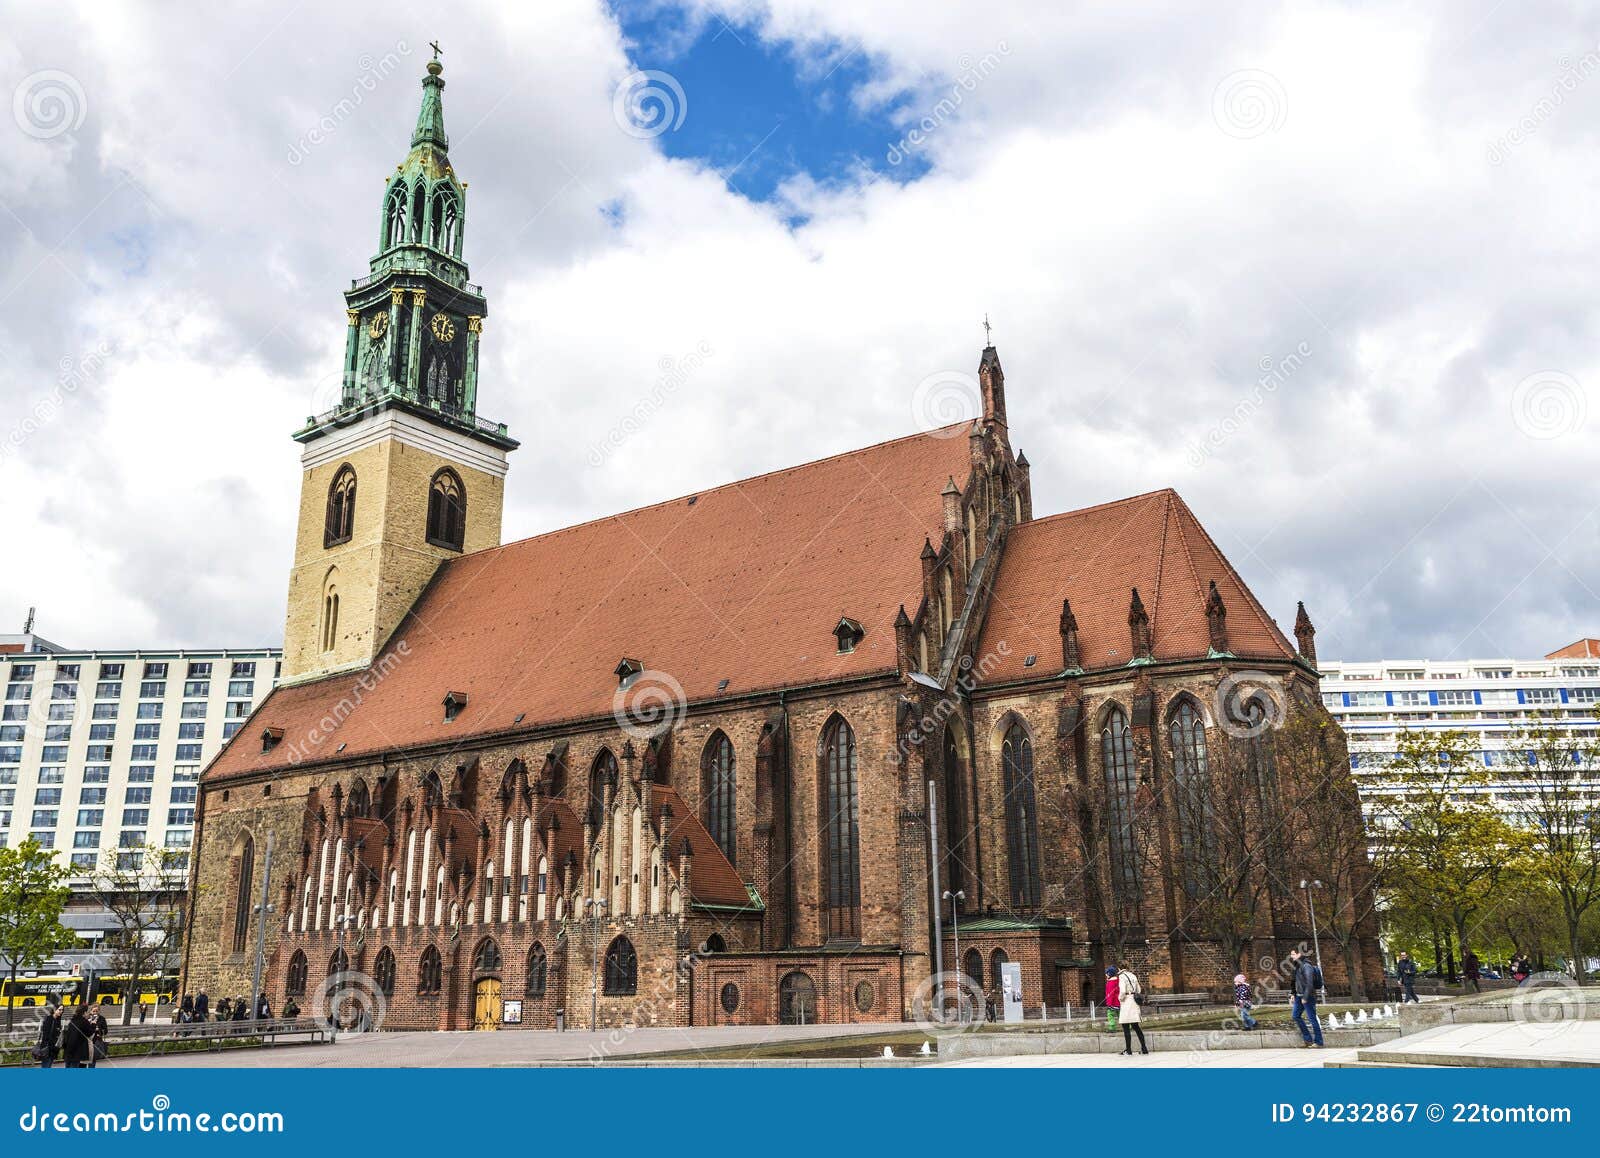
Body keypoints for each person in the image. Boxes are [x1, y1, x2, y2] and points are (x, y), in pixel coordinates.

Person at [1290, 949, 1324, 1048]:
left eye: (1293, 954)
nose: (1291, 956)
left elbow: (1310, 983)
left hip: (1308, 996)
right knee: (1295, 1016)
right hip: (1299, 996)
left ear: (1299, 954)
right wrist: (1293, 993)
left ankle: (1319, 1042)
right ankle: (1308, 1039)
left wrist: (1305, 997)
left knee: (1312, 1018)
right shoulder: (1297, 966)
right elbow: (1295, 981)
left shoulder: (1306, 966)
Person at [1116, 964, 1149, 1055]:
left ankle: (1128, 1050)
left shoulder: (1122, 976)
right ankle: (1144, 1048)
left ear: (1119, 968)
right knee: (1136, 1026)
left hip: (1126, 1001)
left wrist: (1120, 998)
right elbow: (1138, 989)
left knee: (1126, 1027)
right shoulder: (1133, 975)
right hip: (1134, 1001)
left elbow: (1122, 991)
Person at [36, 1002, 62, 1068]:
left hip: (53, 1049)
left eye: (62, 1010)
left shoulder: (57, 1020)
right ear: (54, 1010)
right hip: (47, 1048)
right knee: (46, 1066)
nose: (61, 1011)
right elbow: (46, 1035)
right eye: (59, 1009)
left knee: (48, 1066)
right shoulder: (49, 1019)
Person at [1103, 966, 1121, 1032]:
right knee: (1120, 1015)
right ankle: (1129, 1026)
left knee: (1110, 1014)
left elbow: (1110, 994)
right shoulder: (1118, 980)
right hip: (1119, 1001)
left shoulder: (1110, 983)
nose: (1106, 975)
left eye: (1107, 973)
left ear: (1110, 974)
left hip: (1113, 1002)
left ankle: (1112, 1027)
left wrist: (1109, 1004)